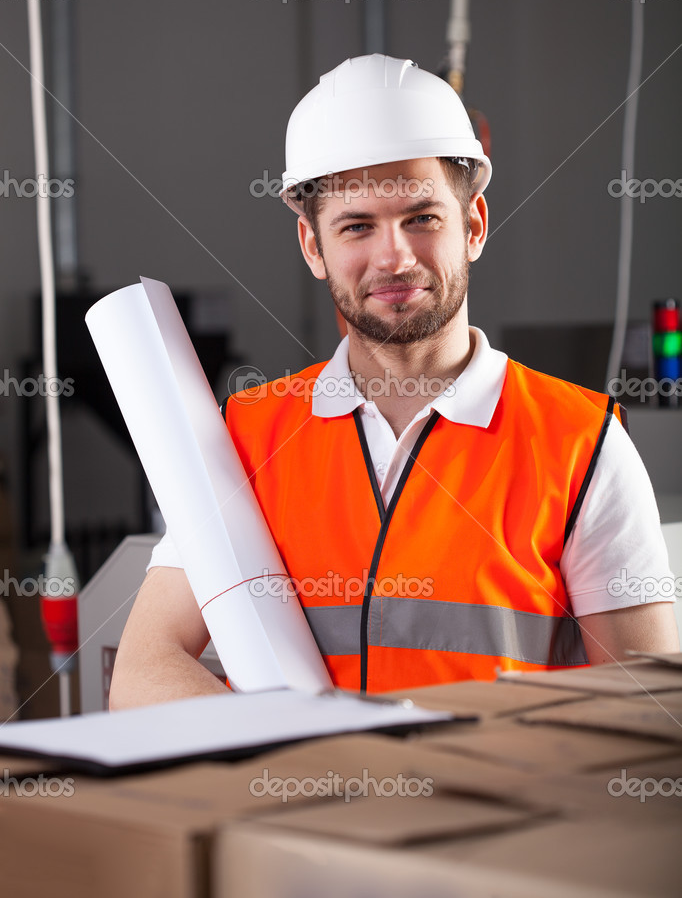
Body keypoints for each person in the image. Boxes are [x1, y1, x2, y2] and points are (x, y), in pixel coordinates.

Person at [109, 54, 678, 709]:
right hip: (294, 804)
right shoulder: (245, 435)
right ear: (313, 246)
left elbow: (644, 709)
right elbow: (143, 670)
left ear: (473, 225)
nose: (394, 256)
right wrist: (306, 759)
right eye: (357, 226)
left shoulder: (581, 442)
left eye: (421, 217)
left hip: (497, 806)